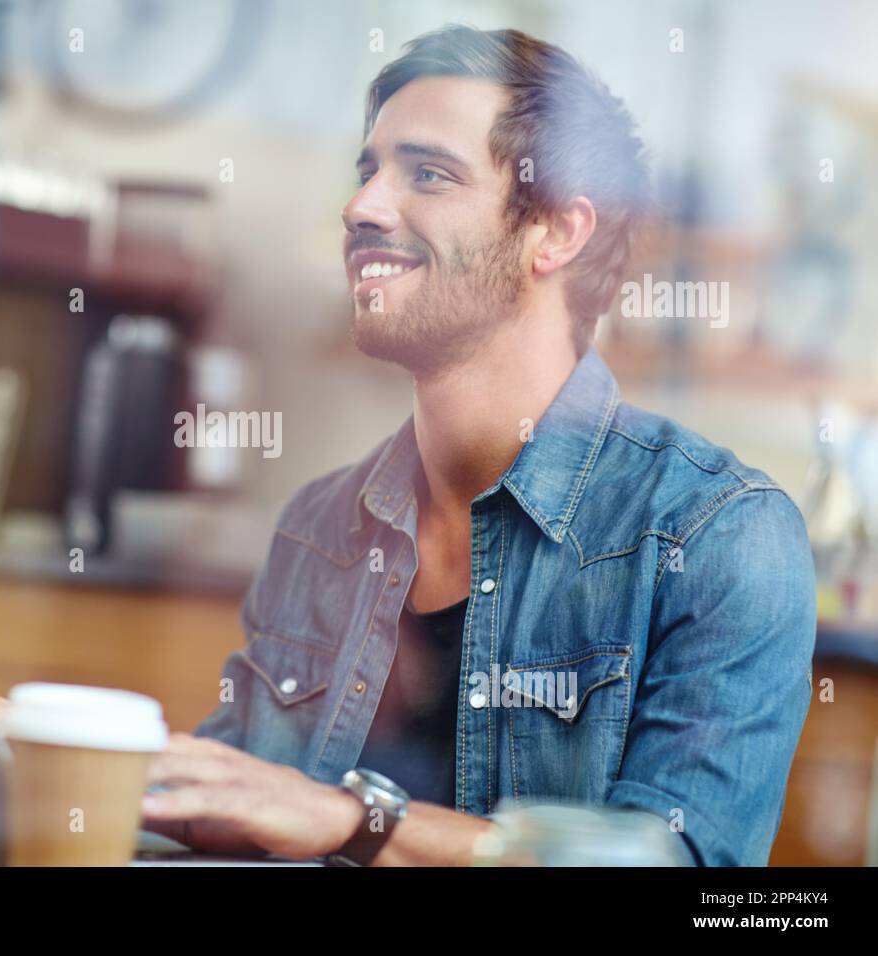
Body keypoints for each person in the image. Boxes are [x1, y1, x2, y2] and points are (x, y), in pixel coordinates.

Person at [136, 25, 816, 866]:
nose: (362, 207)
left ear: (558, 233)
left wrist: (359, 822)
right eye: (368, 171)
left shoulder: (721, 536)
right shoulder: (321, 523)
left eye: (428, 173)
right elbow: (239, 824)